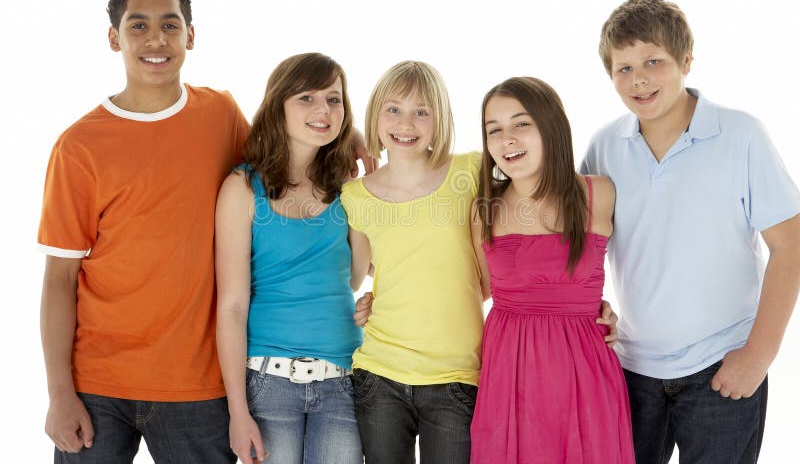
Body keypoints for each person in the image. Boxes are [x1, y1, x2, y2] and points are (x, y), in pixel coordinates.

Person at [343, 61, 619, 463]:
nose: (406, 122)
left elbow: (497, 268)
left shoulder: (469, 173)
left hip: (459, 373)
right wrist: (373, 300)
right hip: (382, 366)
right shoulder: (355, 196)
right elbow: (362, 271)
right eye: (393, 109)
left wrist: (589, 303)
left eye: (422, 111)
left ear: (440, 120)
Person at [38, 0, 249, 463]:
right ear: (114, 38)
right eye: (138, 25)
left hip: (197, 382)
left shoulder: (221, 115)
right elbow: (58, 279)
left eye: (170, 24)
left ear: (190, 35)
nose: (156, 38)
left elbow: (285, 156)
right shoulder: (79, 146)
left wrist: (342, 132)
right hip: (97, 384)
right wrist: (58, 393)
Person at [581, 0, 800, 463]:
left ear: (686, 61)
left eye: (653, 62)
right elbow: (575, 244)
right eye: (623, 68)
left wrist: (758, 356)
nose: (638, 79)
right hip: (632, 369)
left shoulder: (741, 135)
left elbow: (791, 246)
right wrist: (592, 308)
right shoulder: (604, 147)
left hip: (722, 366)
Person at [469, 76, 634, 463]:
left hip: (584, 367)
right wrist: (385, 294)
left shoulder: (599, 193)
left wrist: (615, 313)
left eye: (521, 124)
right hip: (509, 371)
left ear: (551, 126)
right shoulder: (484, 210)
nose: (507, 138)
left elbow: (645, 264)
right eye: (494, 130)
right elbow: (474, 290)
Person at [215, 53, 368, 464]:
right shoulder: (243, 188)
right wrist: (237, 411)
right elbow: (230, 306)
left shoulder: (348, 188)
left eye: (334, 100)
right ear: (278, 105)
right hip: (268, 382)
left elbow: (353, 280)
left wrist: (366, 188)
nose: (323, 110)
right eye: (307, 98)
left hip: (344, 380)